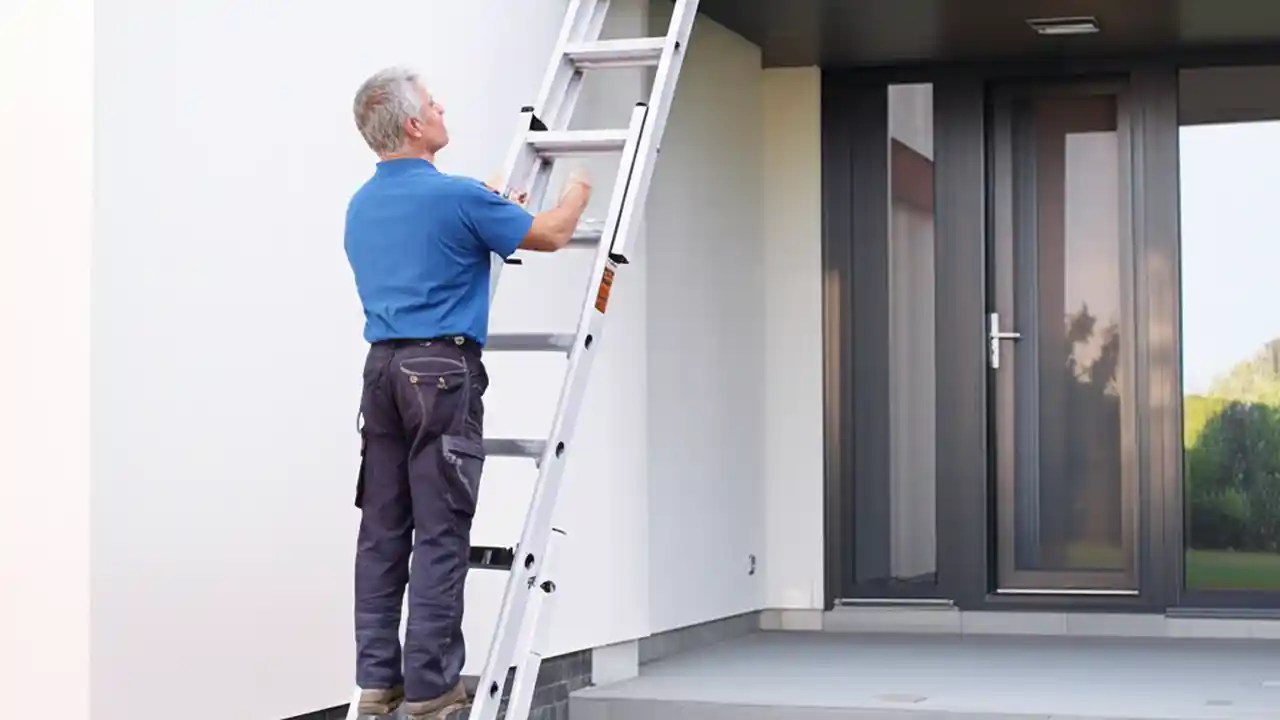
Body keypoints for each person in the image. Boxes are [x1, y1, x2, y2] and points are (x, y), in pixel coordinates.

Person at [343, 66, 592, 719]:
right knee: (441, 531)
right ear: (414, 124)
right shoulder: (456, 197)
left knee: (382, 531)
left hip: (381, 372)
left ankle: (377, 683)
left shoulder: (362, 205)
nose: (442, 108)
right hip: (439, 373)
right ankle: (431, 692)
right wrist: (579, 189)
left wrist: (490, 210)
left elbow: (437, 239)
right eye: (433, 104)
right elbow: (552, 234)